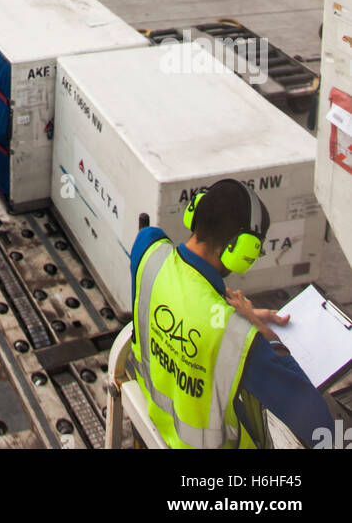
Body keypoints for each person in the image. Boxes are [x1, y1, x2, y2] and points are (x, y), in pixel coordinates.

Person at [130, 177, 333, 448]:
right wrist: (263, 333)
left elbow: (185, 289)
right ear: (240, 248)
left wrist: (226, 310)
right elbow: (320, 427)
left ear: (195, 213)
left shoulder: (147, 250)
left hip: (153, 416)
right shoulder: (235, 337)